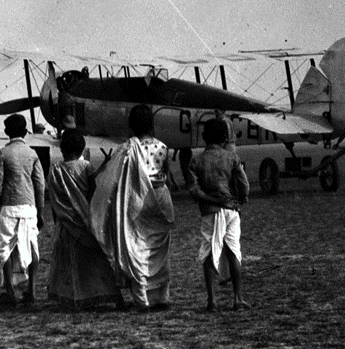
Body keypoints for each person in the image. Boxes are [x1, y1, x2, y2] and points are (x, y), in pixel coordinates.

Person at [90, 104, 174, 312]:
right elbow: (166, 175)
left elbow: (113, 178)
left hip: (136, 198)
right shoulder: (163, 147)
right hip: (161, 197)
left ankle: (142, 298)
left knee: (135, 245)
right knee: (158, 248)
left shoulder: (127, 148)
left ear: (131, 125)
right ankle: (162, 297)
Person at [45, 129, 125, 311]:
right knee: (95, 261)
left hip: (65, 224)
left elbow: (54, 201)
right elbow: (92, 191)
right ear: (82, 149)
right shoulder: (86, 166)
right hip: (85, 222)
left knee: (67, 263)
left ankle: (71, 298)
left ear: (62, 149)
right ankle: (110, 294)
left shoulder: (55, 170)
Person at [187, 118, 251, 312]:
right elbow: (243, 184)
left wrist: (212, 199)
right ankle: (238, 298)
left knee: (209, 252)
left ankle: (212, 300)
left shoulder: (196, 160)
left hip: (210, 211)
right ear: (225, 138)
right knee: (233, 251)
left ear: (204, 137)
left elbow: (194, 190)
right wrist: (241, 198)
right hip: (232, 210)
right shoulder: (232, 158)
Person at [0, 114, 45, 305]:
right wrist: (41, 210)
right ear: (25, 131)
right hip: (29, 207)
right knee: (32, 247)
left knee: (6, 248)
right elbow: (40, 185)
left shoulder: (2, 153)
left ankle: (10, 292)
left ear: (6, 132)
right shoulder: (32, 154)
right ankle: (31, 291)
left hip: (10, 206)